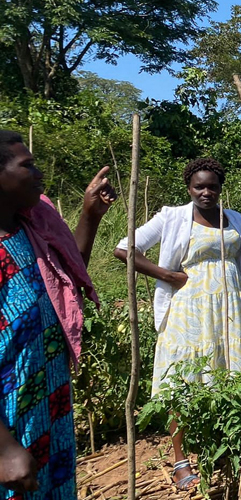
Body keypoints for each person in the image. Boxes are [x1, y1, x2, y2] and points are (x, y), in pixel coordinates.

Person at [114, 158, 241, 491]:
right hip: (188, 311)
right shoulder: (173, 217)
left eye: (212, 186)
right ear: (188, 188)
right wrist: (165, 274)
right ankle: (181, 461)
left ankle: (219, 448)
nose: (206, 192)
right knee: (183, 383)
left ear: (221, 187)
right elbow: (125, 248)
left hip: (229, 313)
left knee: (226, 378)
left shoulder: (234, 218)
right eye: (199, 186)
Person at [0, 130, 116, 500]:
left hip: (50, 399)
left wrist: (90, 216)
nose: (38, 173)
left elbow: (65, 279)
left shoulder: (31, 227)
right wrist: (3, 448)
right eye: (27, 165)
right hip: (9, 416)